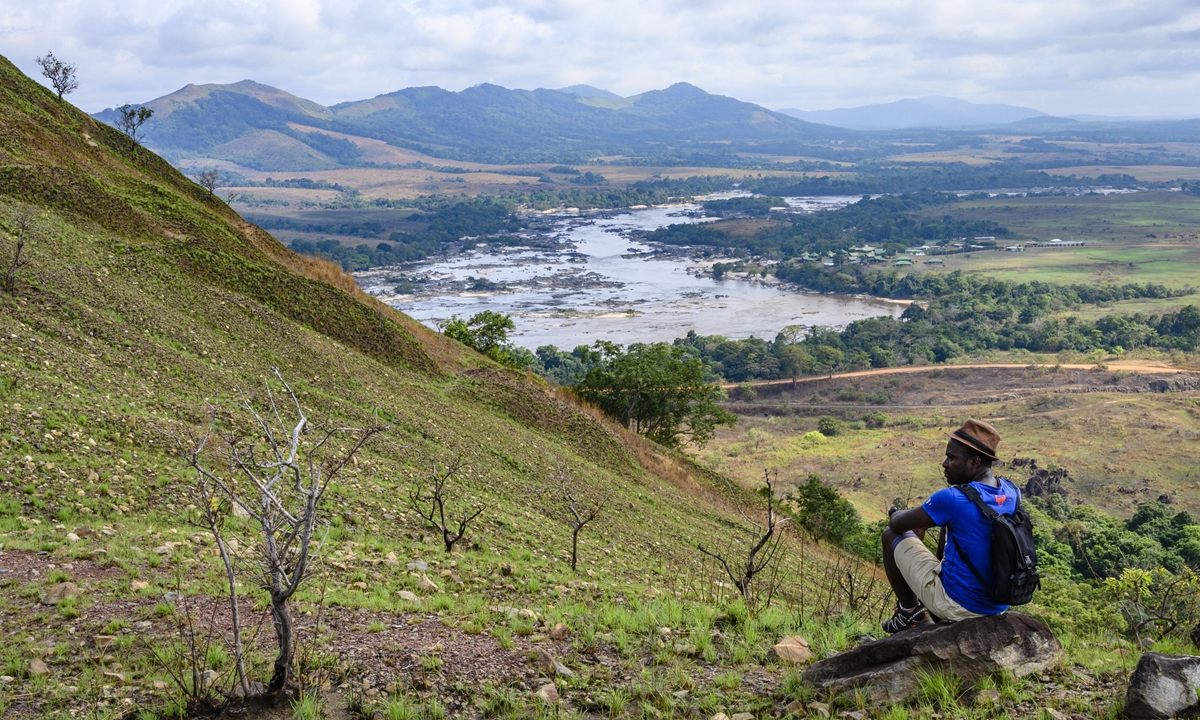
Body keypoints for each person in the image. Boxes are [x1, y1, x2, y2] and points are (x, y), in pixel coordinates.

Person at [879, 419, 1020, 634]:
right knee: (950, 527)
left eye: (951, 458)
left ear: (974, 462)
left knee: (890, 535)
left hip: (960, 607)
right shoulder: (1011, 491)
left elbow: (897, 523)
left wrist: (897, 512)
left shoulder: (953, 499)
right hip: (999, 604)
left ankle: (909, 613)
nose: (944, 464)